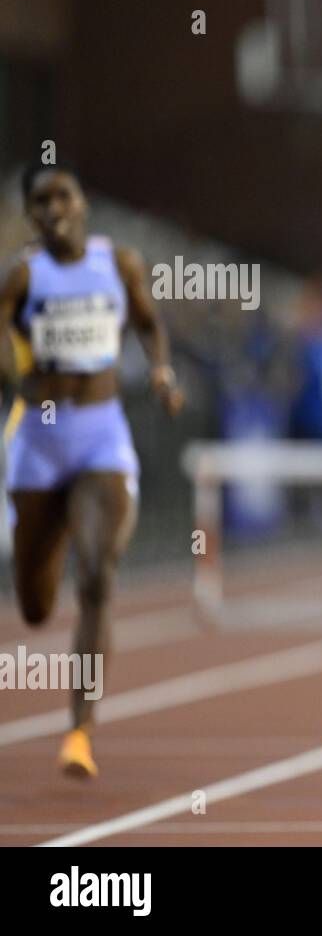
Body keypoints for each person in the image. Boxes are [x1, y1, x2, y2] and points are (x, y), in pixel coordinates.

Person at [0, 163, 183, 778]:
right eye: (41, 202)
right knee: (32, 604)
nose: (54, 209)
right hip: (39, 441)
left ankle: (79, 730)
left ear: (82, 202)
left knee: (99, 575)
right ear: (30, 215)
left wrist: (160, 370)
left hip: (100, 435)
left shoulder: (119, 263)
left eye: (63, 196)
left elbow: (149, 322)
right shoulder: (25, 276)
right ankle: (45, 548)